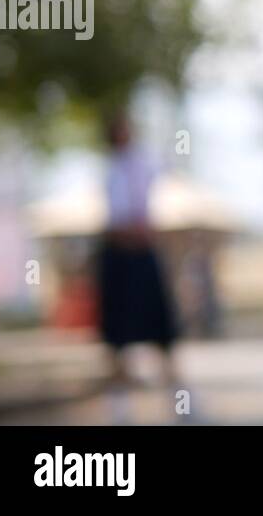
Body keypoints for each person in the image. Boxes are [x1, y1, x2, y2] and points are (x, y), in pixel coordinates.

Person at [96, 112, 181, 422]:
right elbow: (117, 224)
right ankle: (119, 410)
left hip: (142, 257)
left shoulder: (143, 163)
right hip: (122, 260)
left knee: (163, 332)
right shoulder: (111, 172)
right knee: (118, 338)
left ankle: (180, 403)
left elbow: (167, 167)